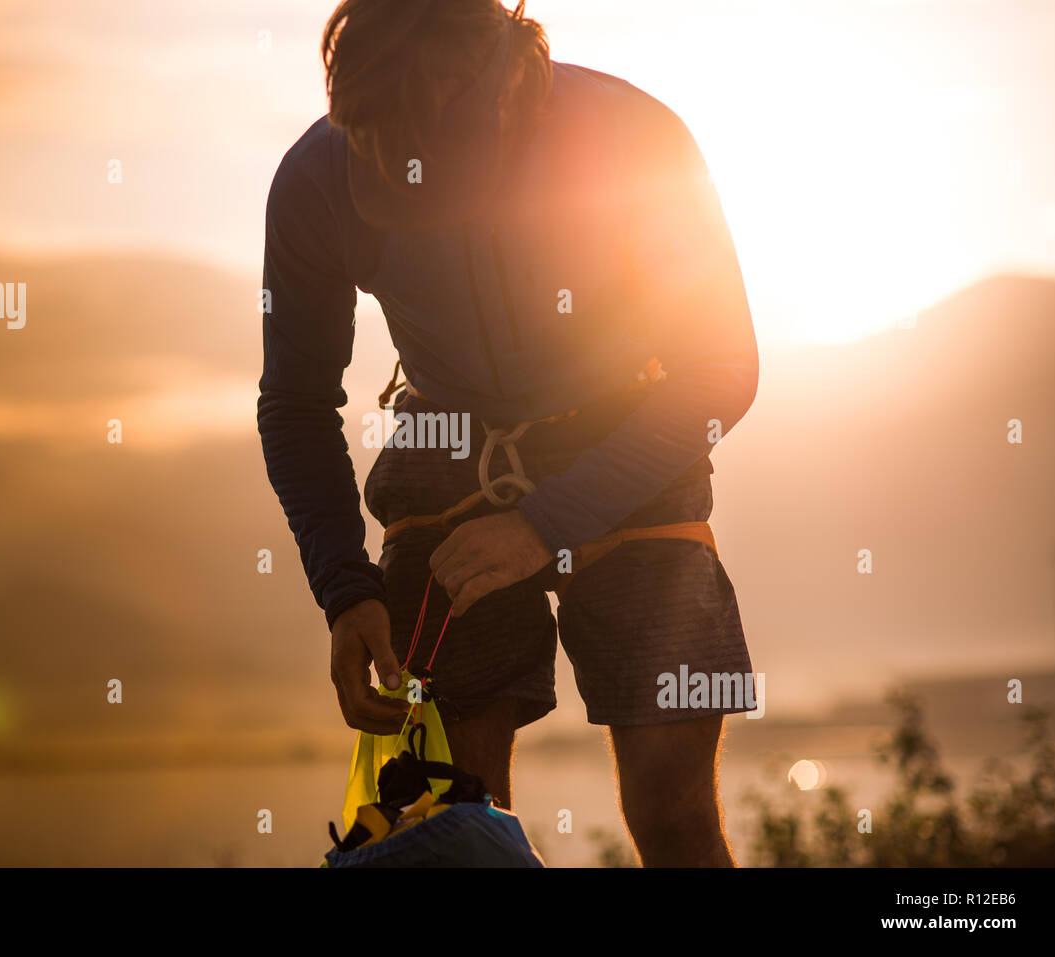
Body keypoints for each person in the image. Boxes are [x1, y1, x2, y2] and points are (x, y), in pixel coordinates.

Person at [258, 0, 760, 866]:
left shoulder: (628, 138)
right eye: (371, 147)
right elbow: (297, 402)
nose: (397, 182)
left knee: (675, 813)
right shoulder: (317, 177)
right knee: (462, 822)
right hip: (446, 443)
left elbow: (721, 369)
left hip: (633, 432)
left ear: (505, 103)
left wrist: (543, 524)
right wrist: (344, 587)